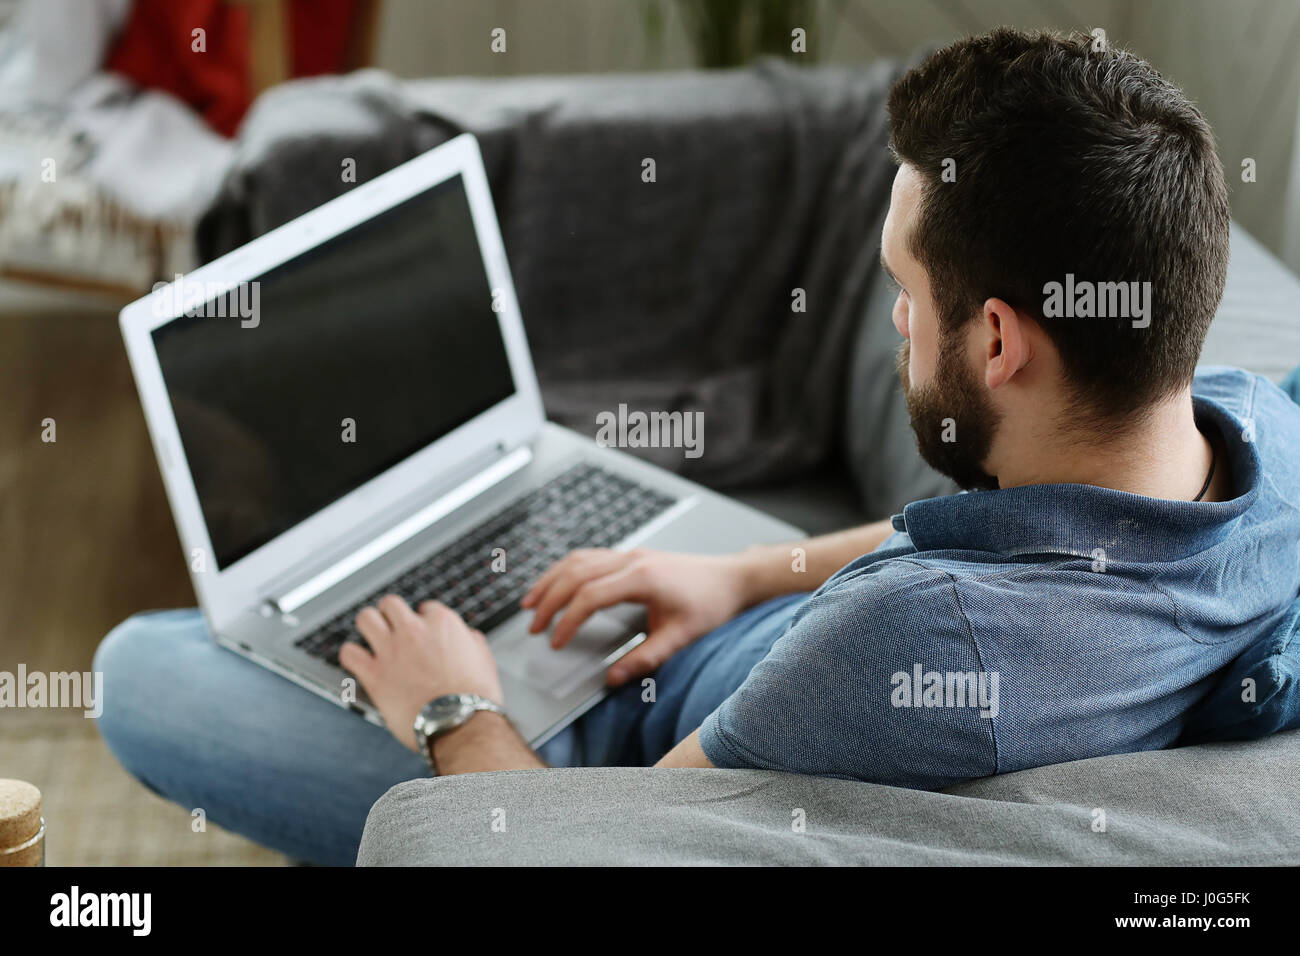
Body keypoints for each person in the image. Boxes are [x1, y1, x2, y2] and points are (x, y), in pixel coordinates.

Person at [95, 28, 1300, 866]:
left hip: (594, 754)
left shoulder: (921, 638)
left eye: (903, 290)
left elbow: (593, 846)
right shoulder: (1254, 438)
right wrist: (738, 572)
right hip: (706, 640)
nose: (891, 319)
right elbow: (1026, 538)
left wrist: (453, 706)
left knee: (138, 669)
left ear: (997, 340)